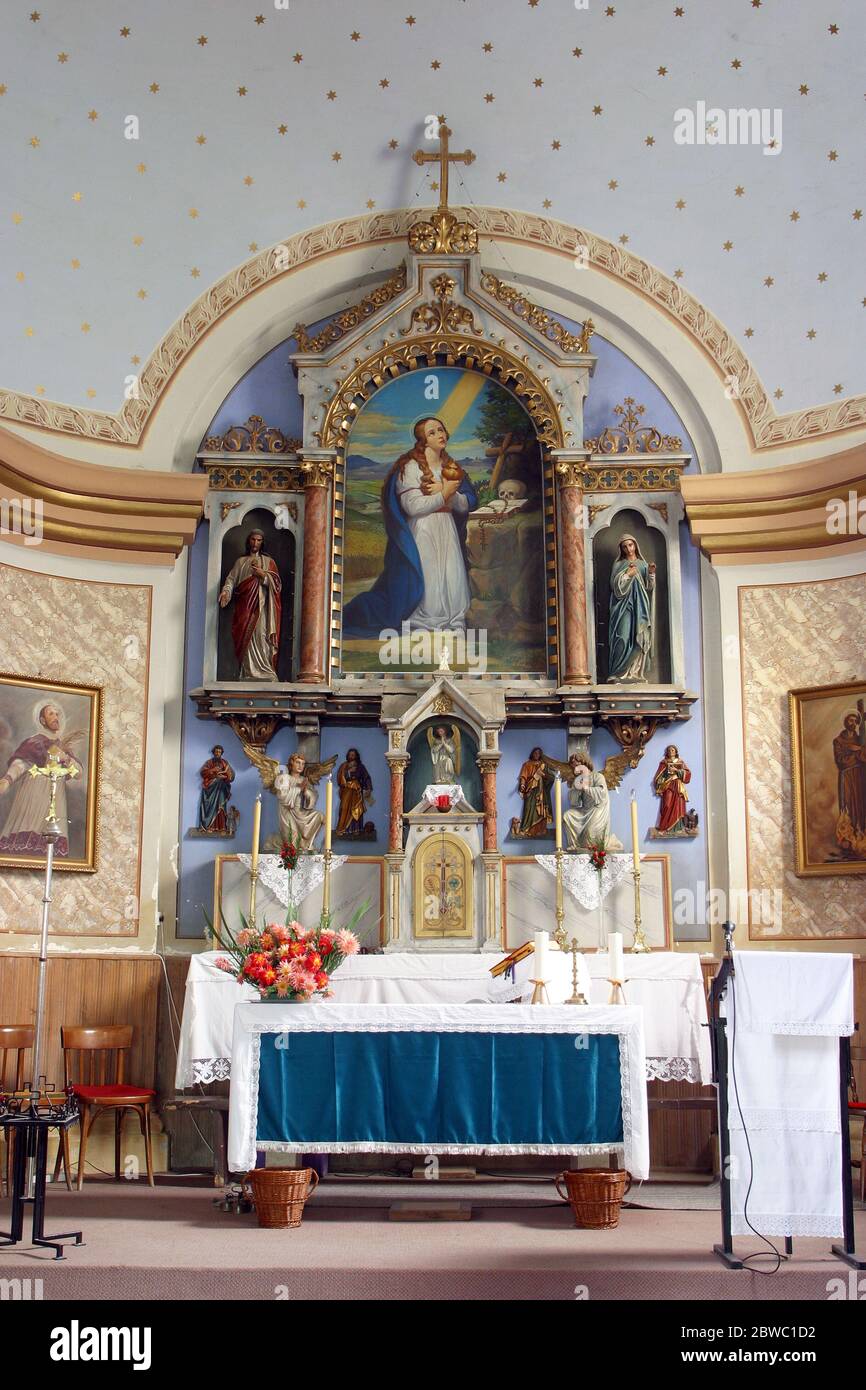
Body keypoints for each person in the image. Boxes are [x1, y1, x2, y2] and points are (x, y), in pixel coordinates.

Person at [342, 417, 478, 636]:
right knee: (430, 573)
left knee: (452, 573)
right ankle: (425, 622)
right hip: (423, 528)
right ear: (423, 440)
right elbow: (413, 507)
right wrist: (444, 493)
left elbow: (467, 503)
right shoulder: (410, 468)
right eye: (432, 432)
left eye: (441, 429)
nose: (439, 434)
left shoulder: (452, 467)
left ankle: (454, 621)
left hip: (446, 525)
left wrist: (450, 497)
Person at [0, 701, 84, 858]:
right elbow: (21, 763)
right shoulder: (33, 742)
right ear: (42, 720)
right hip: (34, 795)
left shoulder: (63, 747)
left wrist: (65, 757)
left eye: (57, 714)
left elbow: (78, 773)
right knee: (28, 842)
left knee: (51, 848)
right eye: (51, 714)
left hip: (55, 800)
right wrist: (7, 779)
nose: (56, 717)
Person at [218, 529, 282, 680]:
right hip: (244, 607)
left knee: (261, 635)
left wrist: (264, 575)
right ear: (249, 541)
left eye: (259, 540)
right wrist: (226, 592)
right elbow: (231, 580)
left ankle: (264, 670)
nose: (255, 543)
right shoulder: (240, 562)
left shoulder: (269, 562)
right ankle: (248, 672)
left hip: (262, 607)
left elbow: (277, 584)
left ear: (262, 543)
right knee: (246, 636)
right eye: (253, 539)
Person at [607, 534, 656, 682]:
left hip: (640, 606)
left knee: (640, 636)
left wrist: (651, 574)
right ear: (621, 549)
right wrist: (627, 575)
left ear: (635, 545)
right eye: (625, 546)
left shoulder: (642, 564)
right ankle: (618, 673)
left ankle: (634, 673)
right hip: (622, 607)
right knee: (622, 636)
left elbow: (649, 587)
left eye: (630, 545)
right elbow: (615, 588)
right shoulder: (618, 565)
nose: (628, 549)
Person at [266, 753, 325, 854]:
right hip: (287, 812)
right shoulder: (284, 778)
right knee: (293, 845)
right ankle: (274, 840)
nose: (300, 766)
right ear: (291, 763)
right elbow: (282, 796)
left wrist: (306, 791)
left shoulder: (304, 780)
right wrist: (299, 789)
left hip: (300, 813)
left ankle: (315, 846)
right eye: (298, 762)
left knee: (320, 816)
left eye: (303, 764)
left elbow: (313, 797)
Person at [562, 755, 622, 852]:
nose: (576, 768)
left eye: (578, 765)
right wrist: (576, 790)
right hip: (585, 810)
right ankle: (574, 845)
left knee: (590, 834)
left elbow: (602, 793)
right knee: (567, 815)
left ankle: (595, 848)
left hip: (597, 808)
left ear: (584, 763)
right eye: (573, 766)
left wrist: (586, 788)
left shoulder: (598, 776)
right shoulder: (578, 780)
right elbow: (574, 803)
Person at [833, 706, 866, 846]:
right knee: (848, 803)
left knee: (861, 803)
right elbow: (841, 762)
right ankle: (848, 837)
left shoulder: (861, 740)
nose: (853, 723)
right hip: (847, 776)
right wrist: (858, 754)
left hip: (860, 776)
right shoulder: (838, 741)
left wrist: (858, 749)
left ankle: (861, 836)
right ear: (845, 722)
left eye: (855, 721)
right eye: (850, 720)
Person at [652, 745, 692, 835]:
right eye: (669, 750)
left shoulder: (680, 762)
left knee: (678, 805)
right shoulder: (664, 762)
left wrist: (677, 771)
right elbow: (658, 777)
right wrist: (666, 773)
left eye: (673, 750)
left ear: (676, 751)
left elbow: (688, 774)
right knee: (667, 804)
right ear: (667, 752)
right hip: (668, 786)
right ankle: (664, 827)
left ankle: (677, 828)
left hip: (677, 786)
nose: (671, 751)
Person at [196, 745, 236, 834]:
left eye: (219, 752)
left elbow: (232, 775)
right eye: (216, 751)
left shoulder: (225, 763)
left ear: (221, 753)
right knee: (209, 806)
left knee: (220, 806)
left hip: (221, 788)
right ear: (213, 752)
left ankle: (221, 826)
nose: (218, 753)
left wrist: (226, 776)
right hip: (210, 788)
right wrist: (213, 770)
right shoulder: (209, 762)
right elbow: (203, 772)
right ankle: (207, 826)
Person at [516, 746, 553, 838]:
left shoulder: (543, 765)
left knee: (541, 809)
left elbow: (551, 777)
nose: (537, 755)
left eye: (539, 753)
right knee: (528, 808)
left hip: (541, 791)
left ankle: (541, 830)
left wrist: (543, 775)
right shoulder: (527, 764)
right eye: (535, 753)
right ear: (532, 753)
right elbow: (523, 776)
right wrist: (522, 785)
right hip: (530, 789)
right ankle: (525, 829)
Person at [335, 748, 373, 838]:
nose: (351, 756)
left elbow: (366, 777)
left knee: (356, 809)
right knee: (344, 808)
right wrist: (348, 771)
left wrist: (368, 788)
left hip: (356, 790)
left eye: (353, 754)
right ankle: (343, 828)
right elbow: (340, 777)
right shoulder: (344, 765)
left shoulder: (360, 766)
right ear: (348, 756)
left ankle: (355, 829)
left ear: (356, 756)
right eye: (350, 754)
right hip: (347, 790)